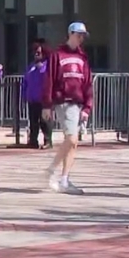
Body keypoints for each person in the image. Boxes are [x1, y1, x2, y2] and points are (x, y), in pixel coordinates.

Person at [41, 22, 93, 195]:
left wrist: (87, 107)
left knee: (73, 143)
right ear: (70, 34)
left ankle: (64, 179)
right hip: (63, 101)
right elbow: (49, 79)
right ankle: (51, 170)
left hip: (77, 103)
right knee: (71, 139)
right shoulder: (57, 55)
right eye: (78, 35)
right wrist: (47, 105)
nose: (81, 38)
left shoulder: (82, 57)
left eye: (83, 36)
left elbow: (88, 83)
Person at [21, 41, 53, 149]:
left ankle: (48, 141)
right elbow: (25, 81)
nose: (36, 54)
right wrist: (24, 95)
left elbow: (49, 80)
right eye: (35, 52)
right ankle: (33, 141)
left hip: (43, 99)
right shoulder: (31, 66)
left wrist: (41, 69)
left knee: (45, 121)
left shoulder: (48, 66)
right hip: (32, 99)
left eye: (39, 53)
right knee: (33, 121)